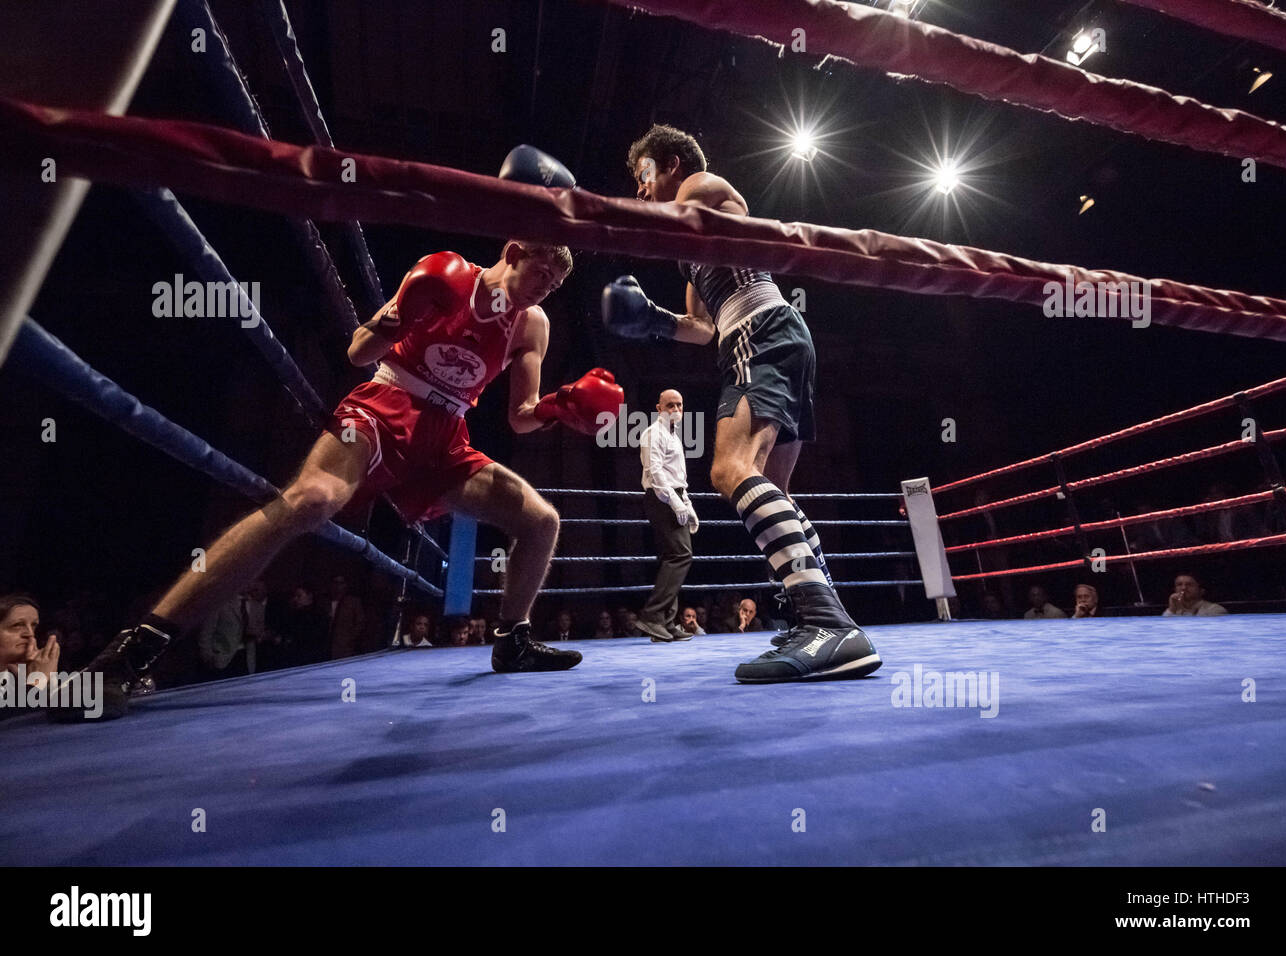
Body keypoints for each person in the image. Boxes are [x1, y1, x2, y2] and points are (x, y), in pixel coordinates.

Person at [57, 168, 622, 720]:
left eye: (556, 281)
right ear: (514, 250)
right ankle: (134, 649)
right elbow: (357, 352)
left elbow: (521, 419)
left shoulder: (532, 325)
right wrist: (401, 315)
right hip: (385, 406)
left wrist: (558, 410)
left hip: (447, 436)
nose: (548, 284)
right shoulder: (449, 275)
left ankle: (512, 640)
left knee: (542, 521)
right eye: (544, 268)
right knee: (310, 500)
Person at [604, 125, 880, 683]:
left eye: (643, 177)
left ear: (672, 164)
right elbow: (702, 328)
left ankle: (830, 624)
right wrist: (651, 321)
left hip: (761, 333)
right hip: (765, 337)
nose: (640, 192)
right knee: (772, 491)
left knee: (729, 468)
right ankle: (819, 616)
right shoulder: (691, 258)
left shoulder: (702, 187)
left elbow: (667, 224)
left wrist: (584, 213)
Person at [636, 388, 697, 642]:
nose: (676, 410)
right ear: (659, 408)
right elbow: (655, 473)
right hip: (661, 500)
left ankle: (666, 623)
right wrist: (675, 502)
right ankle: (652, 616)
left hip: (673, 498)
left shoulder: (673, 435)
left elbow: (677, 476)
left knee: (670, 557)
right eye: (670, 405)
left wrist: (687, 504)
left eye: (679, 405)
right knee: (681, 555)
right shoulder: (653, 433)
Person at [1, 595, 60, 720]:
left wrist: (49, 683)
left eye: (33, 626)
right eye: (17, 625)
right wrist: (36, 683)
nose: (30, 634)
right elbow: (12, 729)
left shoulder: (20, 676)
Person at [1162, 573, 1228, 616]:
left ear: (1201, 590)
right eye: (1179, 584)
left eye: (1189, 585)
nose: (1183, 588)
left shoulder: (1215, 610)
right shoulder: (1173, 610)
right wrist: (1171, 609)